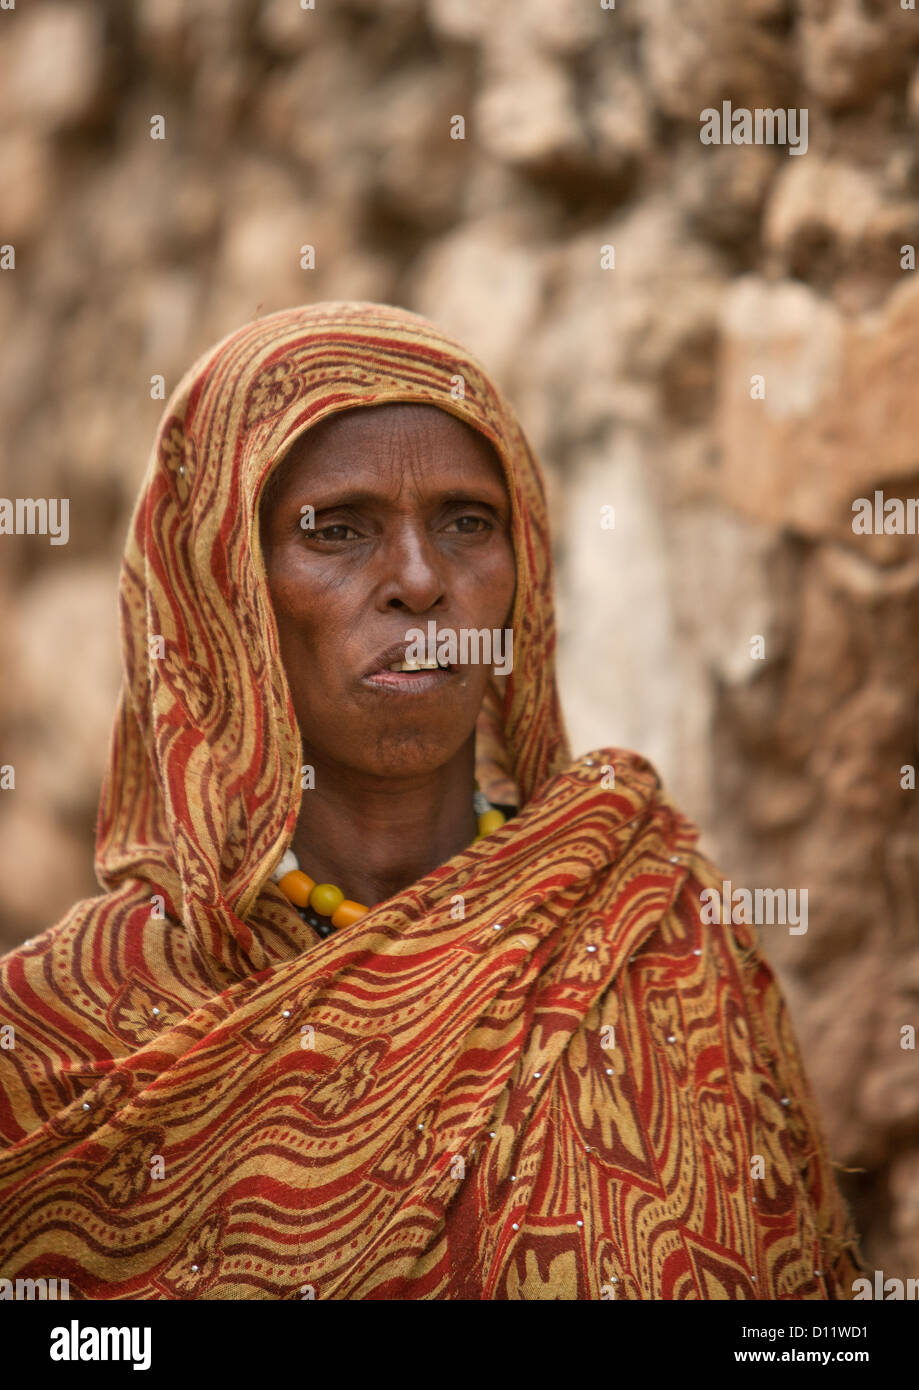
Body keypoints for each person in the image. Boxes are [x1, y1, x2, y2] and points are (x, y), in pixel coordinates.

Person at [0, 301, 863, 1299]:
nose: (418, 578)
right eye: (337, 529)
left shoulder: (655, 933)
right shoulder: (64, 1040)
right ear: (220, 594)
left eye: (466, 523)